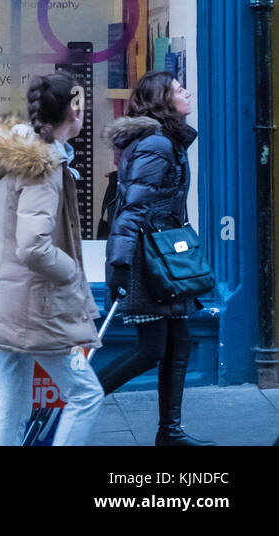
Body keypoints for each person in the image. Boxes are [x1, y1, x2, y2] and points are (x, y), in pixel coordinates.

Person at [0, 72, 104, 446]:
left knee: (11, 406)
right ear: (73, 111)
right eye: (82, 105)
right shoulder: (43, 167)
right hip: (36, 306)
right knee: (86, 394)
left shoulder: (15, 156)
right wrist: (71, 271)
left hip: (5, 300)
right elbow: (33, 245)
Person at [96, 71, 214, 446]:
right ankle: (73, 404)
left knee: (180, 341)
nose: (188, 93)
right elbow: (131, 208)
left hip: (167, 257)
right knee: (151, 349)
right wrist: (119, 264)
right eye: (180, 89)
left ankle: (171, 433)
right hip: (148, 260)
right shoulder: (157, 144)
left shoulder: (169, 142)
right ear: (165, 99)